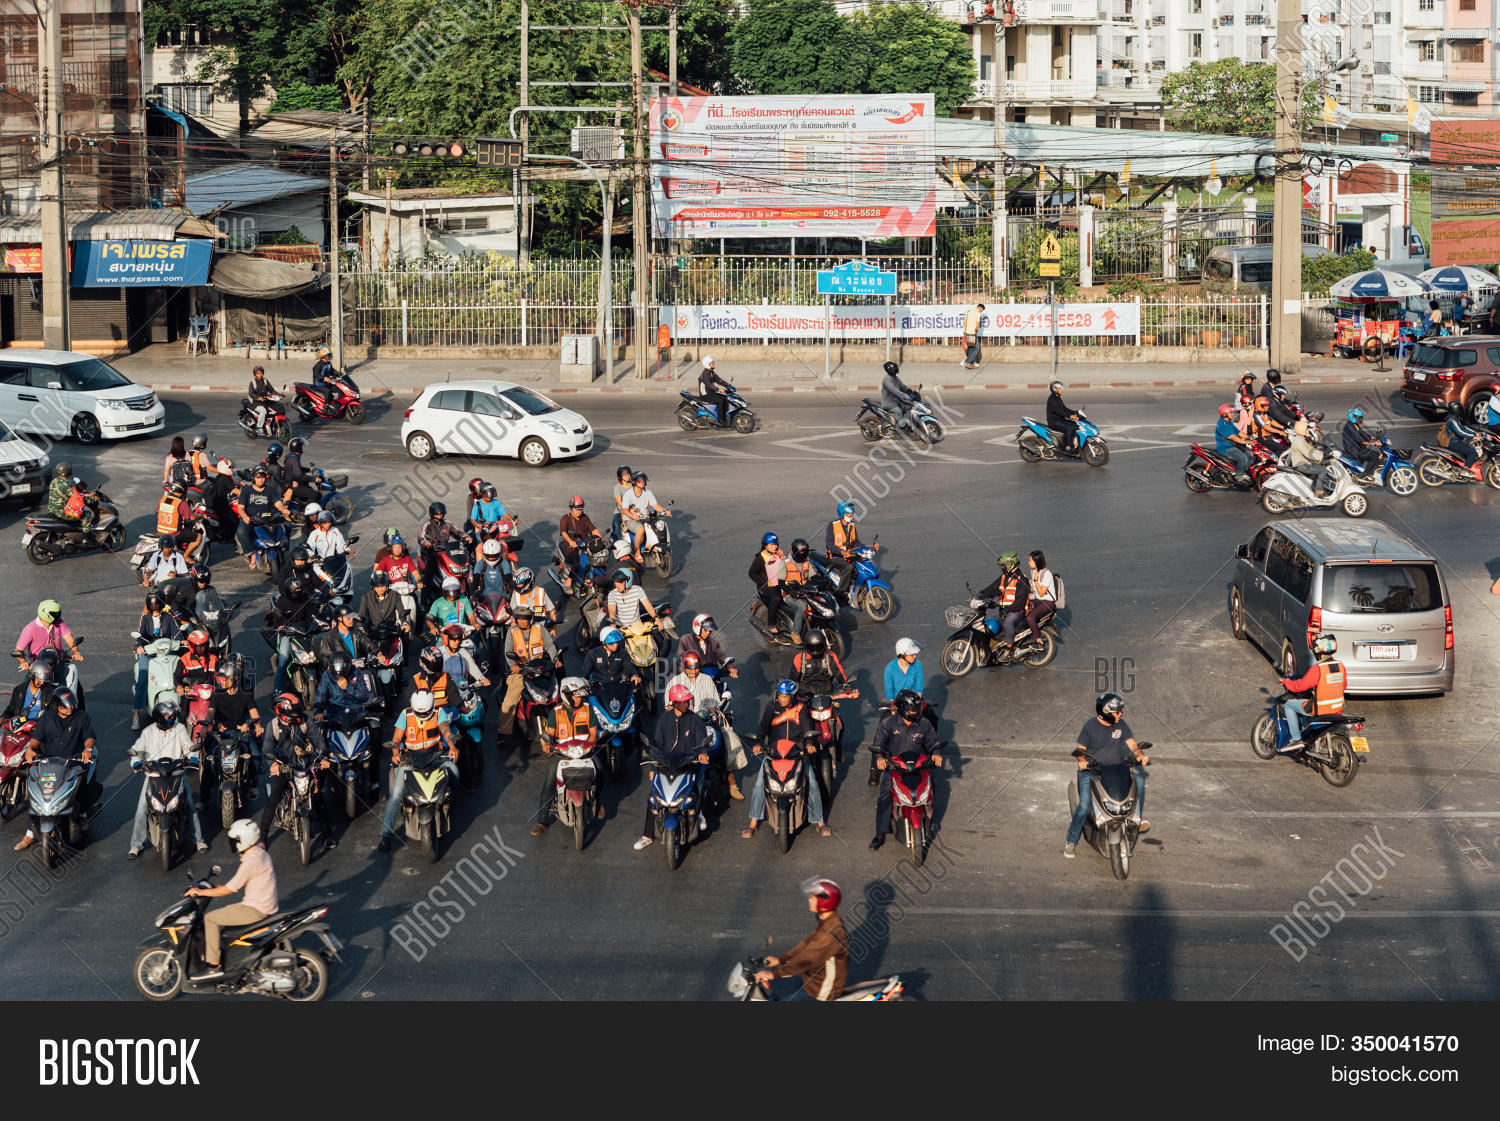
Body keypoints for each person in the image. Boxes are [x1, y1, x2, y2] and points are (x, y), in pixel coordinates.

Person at [184, 819, 276, 982]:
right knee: (226, 914)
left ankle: (214, 967)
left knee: (211, 918)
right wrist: (212, 888)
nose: (233, 844)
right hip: (263, 905)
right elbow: (235, 884)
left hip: (256, 909)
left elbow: (229, 889)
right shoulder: (259, 852)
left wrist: (201, 892)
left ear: (243, 841)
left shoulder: (251, 860)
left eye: (235, 841)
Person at [1064, 693, 1149, 857]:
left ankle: (1136, 818)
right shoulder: (1090, 726)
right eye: (1117, 712)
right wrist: (1082, 761)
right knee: (1083, 807)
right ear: (1106, 713)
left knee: (1138, 779)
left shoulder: (1121, 724)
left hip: (1115, 769)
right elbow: (1079, 750)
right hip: (1091, 771)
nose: (1121, 714)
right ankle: (1071, 841)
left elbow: (1131, 743)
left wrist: (1139, 755)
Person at [375, 690, 459, 853]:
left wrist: (453, 746)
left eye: (426, 713)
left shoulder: (438, 713)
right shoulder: (405, 715)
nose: (423, 715)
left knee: (453, 770)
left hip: (434, 757)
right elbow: (396, 739)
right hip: (410, 760)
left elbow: (446, 731)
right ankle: (386, 835)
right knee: (395, 795)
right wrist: (396, 753)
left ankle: (449, 802)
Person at [743, 680, 829, 839]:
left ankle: (819, 821)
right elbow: (762, 728)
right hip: (774, 753)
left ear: (793, 696)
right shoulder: (771, 708)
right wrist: (758, 743)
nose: (781, 699)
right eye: (780, 696)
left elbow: (807, 729)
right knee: (759, 785)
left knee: (812, 783)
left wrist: (809, 743)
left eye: (785, 696)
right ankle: (753, 823)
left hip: (797, 753)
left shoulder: (801, 709)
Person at [633, 684, 714, 850]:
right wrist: (653, 768)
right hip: (666, 764)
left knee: (697, 784)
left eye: (688, 701)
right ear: (675, 702)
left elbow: (701, 740)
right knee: (653, 797)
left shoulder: (695, 720)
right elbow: (656, 744)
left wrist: (703, 753)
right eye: (683, 701)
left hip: (688, 764)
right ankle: (647, 835)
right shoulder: (664, 719)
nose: (687, 704)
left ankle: (698, 813)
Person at [14, 688, 96, 850]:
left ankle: (82, 814)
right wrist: (31, 749)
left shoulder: (82, 717)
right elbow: (37, 739)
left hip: (72, 761)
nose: (70, 708)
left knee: (80, 784)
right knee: (36, 791)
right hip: (48, 761)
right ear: (57, 706)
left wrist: (87, 750)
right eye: (65, 706)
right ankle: (29, 834)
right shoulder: (47, 718)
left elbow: (89, 738)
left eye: (72, 705)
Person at [126, 696, 207, 859]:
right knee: (142, 808)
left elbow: (189, 747)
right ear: (160, 717)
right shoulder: (148, 732)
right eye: (170, 716)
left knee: (190, 807)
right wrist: (136, 763)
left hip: (177, 774)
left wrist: (192, 758)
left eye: (173, 716)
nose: (173, 718)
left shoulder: (180, 729)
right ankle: (136, 845)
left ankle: (198, 840)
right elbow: (137, 750)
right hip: (153, 776)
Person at [752, 877, 849, 1001]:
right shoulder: (827, 920)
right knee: (777, 993)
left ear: (824, 901)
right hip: (812, 979)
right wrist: (781, 960)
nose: (809, 900)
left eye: (813, 897)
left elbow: (806, 960)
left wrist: (773, 974)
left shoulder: (830, 933)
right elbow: (807, 945)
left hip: (821, 990)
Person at [258, 694, 336, 848]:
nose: (296, 717)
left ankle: (328, 836)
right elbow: (267, 748)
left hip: (306, 765)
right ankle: (262, 838)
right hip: (284, 767)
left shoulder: (305, 720)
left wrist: (323, 757)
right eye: (292, 714)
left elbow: (318, 740)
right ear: (280, 712)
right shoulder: (273, 726)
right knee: (273, 799)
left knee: (318, 798)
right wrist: (272, 763)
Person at [868, 690, 942, 850]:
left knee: (931, 790)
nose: (916, 712)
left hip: (918, 766)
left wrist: (936, 753)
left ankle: (928, 820)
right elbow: (879, 740)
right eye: (912, 710)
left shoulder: (924, 723)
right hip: (895, 766)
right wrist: (880, 757)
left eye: (917, 709)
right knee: (885, 796)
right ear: (902, 709)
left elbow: (932, 740)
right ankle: (880, 833)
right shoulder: (889, 723)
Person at [530, 677, 603, 836]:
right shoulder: (555, 713)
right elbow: (549, 734)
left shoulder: (588, 709)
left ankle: (598, 804)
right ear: (566, 695)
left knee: (601, 770)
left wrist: (590, 746)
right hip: (562, 755)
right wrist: (548, 745)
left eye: (580, 696)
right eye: (576, 696)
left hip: (585, 753)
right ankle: (542, 821)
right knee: (548, 783)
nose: (579, 699)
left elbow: (593, 733)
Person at [498, 606, 563, 747]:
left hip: (540, 668)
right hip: (520, 671)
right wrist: (513, 665)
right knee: (510, 700)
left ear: (530, 619)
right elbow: (508, 651)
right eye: (519, 619)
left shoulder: (539, 628)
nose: (521, 622)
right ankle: (503, 732)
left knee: (557, 692)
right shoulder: (512, 631)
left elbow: (550, 646)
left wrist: (556, 659)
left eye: (524, 619)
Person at [1278, 633, 1345, 750]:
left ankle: (1296, 739)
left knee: (1289, 705)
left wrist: (1285, 681)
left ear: (1318, 649)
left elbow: (1299, 687)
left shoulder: (1318, 669)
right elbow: (1343, 686)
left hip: (1320, 709)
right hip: (1337, 709)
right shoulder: (1341, 666)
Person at [208, 662, 262, 783]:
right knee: (209, 759)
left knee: (256, 756)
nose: (221, 681)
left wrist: (256, 726)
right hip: (221, 733)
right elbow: (210, 712)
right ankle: (204, 797)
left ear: (235, 679)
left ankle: (253, 784)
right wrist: (208, 724)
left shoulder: (246, 693)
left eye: (224, 678)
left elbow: (254, 713)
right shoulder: (217, 693)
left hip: (241, 733)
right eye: (219, 678)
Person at [233, 465, 289, 570]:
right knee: (241, 532)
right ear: (253, 478)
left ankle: (284, 551)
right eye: (258, 477)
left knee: (287, 526)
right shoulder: (246, 490)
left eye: (262, 477)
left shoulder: (270, 490)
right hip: (250, 518)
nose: (260, 479)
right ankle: (251, 554)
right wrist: (245, 516)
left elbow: (278, 504)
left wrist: (283, 510)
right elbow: (240, 508)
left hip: (268, 517)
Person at [13, 599, 82, 677]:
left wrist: (76, 652)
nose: (58, 616)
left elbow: (69, 638)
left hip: (57, 664)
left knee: (72, 685)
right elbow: (19, 650)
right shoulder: (30, 629)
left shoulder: (59, 622)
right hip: (37, 667)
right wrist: (23, 662)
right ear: (46, 614)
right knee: (22, 688)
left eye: (58, 613)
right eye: (55, 614)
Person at [748, 532, 793, 643]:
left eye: (775, 544)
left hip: (778, 583)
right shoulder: (760, 558)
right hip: (765, 586)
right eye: (772, 545)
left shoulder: (777, 553)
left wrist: (782, 556)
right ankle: (771, 623)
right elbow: (752, 573)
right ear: (765, 545)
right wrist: (765, 582)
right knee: (776, 599)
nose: (775, 547)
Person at [619, 471, 670, 563]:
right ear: (634, 482)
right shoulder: (628, 494)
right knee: (641, 529)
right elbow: (625, 510)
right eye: (640, 480)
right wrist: (632, 516)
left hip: (645, 518)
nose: (642, 482)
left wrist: (664, 511)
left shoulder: (648, 493)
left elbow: (655, 505)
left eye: (643, 480)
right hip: (630, 520)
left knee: (657, 526)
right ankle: (638, 552)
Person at [824, 501, 871, 597]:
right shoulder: (833, 525)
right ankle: (840, 592)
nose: (850, 516)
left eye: (852, 514)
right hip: (835, 556)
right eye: (848, 514)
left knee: (861, 564)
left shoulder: (852, 525)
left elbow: (856, 542)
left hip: (849, 555)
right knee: (848, 568)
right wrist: (841, 552)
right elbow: (829, 543)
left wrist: (868, 548)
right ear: (842, 514)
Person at [418, 502, 463, 599]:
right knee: (428, 576)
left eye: (441, 514)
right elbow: (421, 537)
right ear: (432, 513)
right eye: (437, 514)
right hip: (431, 552)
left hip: (445, 551)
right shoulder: (427, 524)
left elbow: (457, 532)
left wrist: (466, 537)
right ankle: (424, 601)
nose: (440, 515)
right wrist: (426, 543)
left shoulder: (447, 524)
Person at [557, 496, 601, 593]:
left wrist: (602, 539)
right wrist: (571, 541)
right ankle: (568, 582)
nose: (579, 511)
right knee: (578, 563)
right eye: (577, 509)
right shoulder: (565, 518)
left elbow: (593, 530)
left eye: (581, 509)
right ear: (571, 508)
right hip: (571, 548)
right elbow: (564, 533)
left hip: (585, 546)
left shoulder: (585, 518)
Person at [676, 614, 738, 682]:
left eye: (710, 630)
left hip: (713, 677)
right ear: (697, 628)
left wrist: (730, 667)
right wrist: (687, 677)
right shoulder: (685, 640)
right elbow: (680, 660)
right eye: (706, 629)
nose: (708, 632)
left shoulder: (713, 641)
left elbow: (721, 655)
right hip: (695, 679)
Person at [315, 654, 373, 724]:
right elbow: (321, 695)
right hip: (334, 713)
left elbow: (365, 696)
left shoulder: (356, 672)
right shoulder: (327, 675)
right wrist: (318, 711)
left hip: (355, 712)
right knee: (320, 729)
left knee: (374, 726)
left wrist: (348, 687)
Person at [791, 629, 849, 698]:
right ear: (806, 646)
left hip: (827, 694)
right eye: (812, 648)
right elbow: (792, 677)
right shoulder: (800, 658)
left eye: (819, 647)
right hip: (805, 695)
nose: (815, 650)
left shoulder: (830, 656)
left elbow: (839, 672)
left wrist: (846, 685)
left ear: (824, 645)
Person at [1287, 418, 1335, 496]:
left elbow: (1311, 449)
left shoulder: (1301, 439)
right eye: (1306, 428)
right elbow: (1308, 453)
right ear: (1302, 429)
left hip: (1304, 463)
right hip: (1301, 465)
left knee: (1320, 466)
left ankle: (1314, 487)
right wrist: (1321, 456)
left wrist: (1322, 453)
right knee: (1322, 470)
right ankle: (1318, 491)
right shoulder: (1299, 441)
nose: (1308, 430)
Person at [318, 605, 373, 669]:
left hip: (360, 670)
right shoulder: (330, 636)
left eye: (352, 617)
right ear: (340, 618)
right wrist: (331, 666)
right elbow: (325, 656)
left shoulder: (357, 633)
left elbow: (368, 644)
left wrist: (378, 653)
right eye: (348, 618)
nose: (351, 620)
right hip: (343, 672)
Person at [436, 624, 489, 689]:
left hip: (461, 688)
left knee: (478, 699)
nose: (457, 642)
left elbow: (471, 665)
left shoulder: (462, 652)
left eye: (459, 639)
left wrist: (481, 678)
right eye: (454, 639)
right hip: (443, 689)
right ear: (446, 639)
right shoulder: (438, 653)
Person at [361, 569, 411, 636]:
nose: (381, 589)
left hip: (390, 631)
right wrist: (360, 628)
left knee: (405, 636)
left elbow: (401, 611)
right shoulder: (366, 597)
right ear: (373, 586)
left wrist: (404, 623)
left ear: (387, 585)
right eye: (377, 586)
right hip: (373, 632)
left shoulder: (395, 595)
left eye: (383, 586)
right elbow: (361, 616)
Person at [1023, 549, 1058, 644]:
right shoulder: (1034, 572)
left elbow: (1042, 593)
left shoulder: (1046, 574)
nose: (1028, 562)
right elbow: (1035, 591)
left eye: (1030, 560)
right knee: (1020, 609)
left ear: (1037, 562)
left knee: (1030, 618)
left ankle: (1038, 640)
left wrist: (1035, 581)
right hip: (1038, 600)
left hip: (1048, 602)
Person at [509, 566, 557, 634]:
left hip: (540, 631)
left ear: (528, 582)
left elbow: (552, 610)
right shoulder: (515, 594)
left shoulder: (541, 592)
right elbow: (511, 612)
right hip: (522, 631)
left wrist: (553, 628)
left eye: (520, 584)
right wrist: (513, 623)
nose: (518, 586)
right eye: (517, 584)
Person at [1214, 404, 1254, 483]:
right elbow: (1233, 437)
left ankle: (1245, 471)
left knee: (1250, 454)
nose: (1233, 414)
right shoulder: (1222, 424)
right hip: (1225, 448)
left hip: (1233, 446)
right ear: (1225, 414)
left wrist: (1250, 438)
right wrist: (1245, 441)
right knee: (1242, 457)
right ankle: (1238, 475)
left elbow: (1239, 433)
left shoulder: (1229, 423)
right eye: (1231, 413)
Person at [883, 638, 924, 708]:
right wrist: (893, 710)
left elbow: (919, 687)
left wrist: (915, 704)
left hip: (914, 701)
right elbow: (889, 692)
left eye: (915, 653)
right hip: (898, 704)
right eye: (911, 654)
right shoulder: (889, 669)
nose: (915, 656)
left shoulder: (918, 665)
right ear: (902, 655)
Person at [1442, 403, 1484, 472]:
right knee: (1472, 452)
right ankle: (1465, 470)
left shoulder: (1453, 417)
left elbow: (1463, 428)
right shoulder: (1452, 421)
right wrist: (1473, 437)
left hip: (1455, 441)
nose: (1461, 411)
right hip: (1453, 443)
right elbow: (1460, 432)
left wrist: (1474, 433)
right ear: (1456, 410)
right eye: (1460, 409)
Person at [1340, 407, 1382, 473]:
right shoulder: (1349, 426)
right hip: (1354, 451)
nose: (1360, 420)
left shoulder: (1355, 425)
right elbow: (1359, 440)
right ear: (1353, 417)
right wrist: (1373, 443)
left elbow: (1362, 433)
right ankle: (1367, 475)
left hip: (1358, 448)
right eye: (1359, 418)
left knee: (1374, 454)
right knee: (1376, 456)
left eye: (1361, 418)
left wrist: (1372, 438)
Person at [880, 361, 920, 427]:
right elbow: (894, 391)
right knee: (898, 411)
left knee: (909, 406)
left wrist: (911, 392)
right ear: (889, 369)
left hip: (897, 401)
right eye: (894, 368)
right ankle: (902, 426)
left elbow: (903, 387)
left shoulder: (895, 378)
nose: (896, 369)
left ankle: (909, 424)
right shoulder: (887, 379)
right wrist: (906, 397)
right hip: (889, 403)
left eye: (896, 367)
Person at [1046, 381, 1082, 454]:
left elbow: (1064, 409)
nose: (1061, 390)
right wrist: (1070, 416)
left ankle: (1074, 444)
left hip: (1060, 420)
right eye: (1060, 389)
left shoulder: (1057, 398)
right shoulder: (1052, 400)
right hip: (1054, 422)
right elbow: (1059, 411)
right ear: (1055, 389)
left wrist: (1075, 412)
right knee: (1069, 428)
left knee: (1076, 425)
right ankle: (1067, 446)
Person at [697, 354, 733, 426]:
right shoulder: (705, 374)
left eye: (713, 362)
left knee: (725, 398)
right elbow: (709, 385)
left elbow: (719, 380)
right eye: (712, 363)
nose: (713, 363)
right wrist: (719, 390)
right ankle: (720, 420)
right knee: (720, 400)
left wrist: (728, 385)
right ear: (707, 364)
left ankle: (724, 417)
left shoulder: (711, 372)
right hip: (705, 395)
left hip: (711, 393)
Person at [610, 464, 636, 540]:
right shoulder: (617, 487)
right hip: (620, 511)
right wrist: (629, 507)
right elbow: (619, 502)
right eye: (624, 474)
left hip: (633, 510)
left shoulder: (633, 485)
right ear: (620, 476)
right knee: (617, 525)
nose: (627, 476)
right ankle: (618, 543)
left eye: (628, 474)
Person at [247, 365, 276, 429]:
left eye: (261, 373)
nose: (260, 375)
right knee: (263, 411)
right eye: (258, 373)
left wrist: (277, 394)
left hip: (265, 401)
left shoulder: (265, 381)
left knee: (275, 409)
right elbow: (251, 393)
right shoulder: (252, 383)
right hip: (256, 403)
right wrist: (258, 398)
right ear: (255, 374)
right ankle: (259, 428)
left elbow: (271, 390)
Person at [961, 302, 985, 369]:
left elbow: (964, 322)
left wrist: (966, 330)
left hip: (966, 332)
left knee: (970, 347)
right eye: (982, 310)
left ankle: (971, 362)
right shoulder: (977, 313)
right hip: (972, 332)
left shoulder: (969, 311)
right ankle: (968, 362)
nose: (981, 311)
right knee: (976, 348)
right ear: (980, 308)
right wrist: (975, 331)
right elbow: (977, 325)